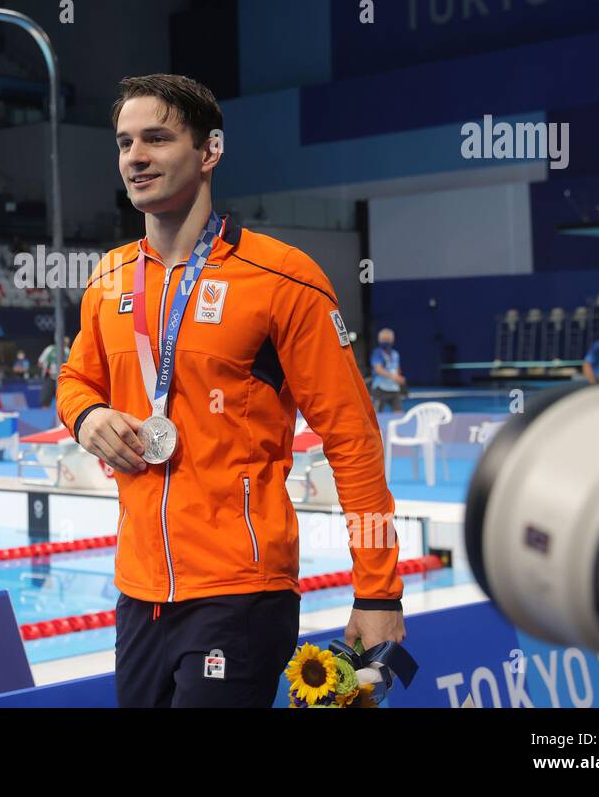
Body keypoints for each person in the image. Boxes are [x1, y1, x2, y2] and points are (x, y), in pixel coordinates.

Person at [57, 74, 405, 708]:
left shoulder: (283, 279)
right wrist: (87, 418)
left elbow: (352, 439)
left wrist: (378, 593)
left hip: (240, 592)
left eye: (157, 139)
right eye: (125, 141)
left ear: (209, 151)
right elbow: (76, 379)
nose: (135, 157)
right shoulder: (107, 278)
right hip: (139, 594)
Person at [369, 328, 407, 412]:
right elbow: (378, 369)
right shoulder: (377, 353)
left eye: (388, 339)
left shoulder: (395, 354)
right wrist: (394, 377)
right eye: (384, 339)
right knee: (376, 416)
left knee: (399, 414)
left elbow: (396, 369)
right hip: (380, 389)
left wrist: (399, 378)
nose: (386, 341)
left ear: (392, 340)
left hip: (394, 389)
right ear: (379, 340)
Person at [37, 336, 72, 408]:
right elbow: (40, 362)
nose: (65, 343)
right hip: (50, 377)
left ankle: (60, 417)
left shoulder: (67, 351)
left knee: (64, 400)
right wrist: (46, 369)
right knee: (46, 399)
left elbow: (71, 365)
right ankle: (45, 414)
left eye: (67, 342)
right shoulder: (50, 349)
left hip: (62, 379)